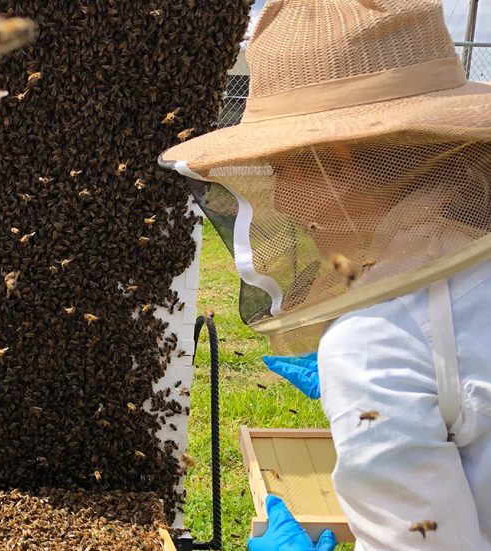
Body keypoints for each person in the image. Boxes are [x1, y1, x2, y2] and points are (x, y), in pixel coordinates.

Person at [160, 0, 490, 549]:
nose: (282, 199)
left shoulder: (378, 341)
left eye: (284, 167)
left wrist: (389, 361)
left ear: (335, 158)